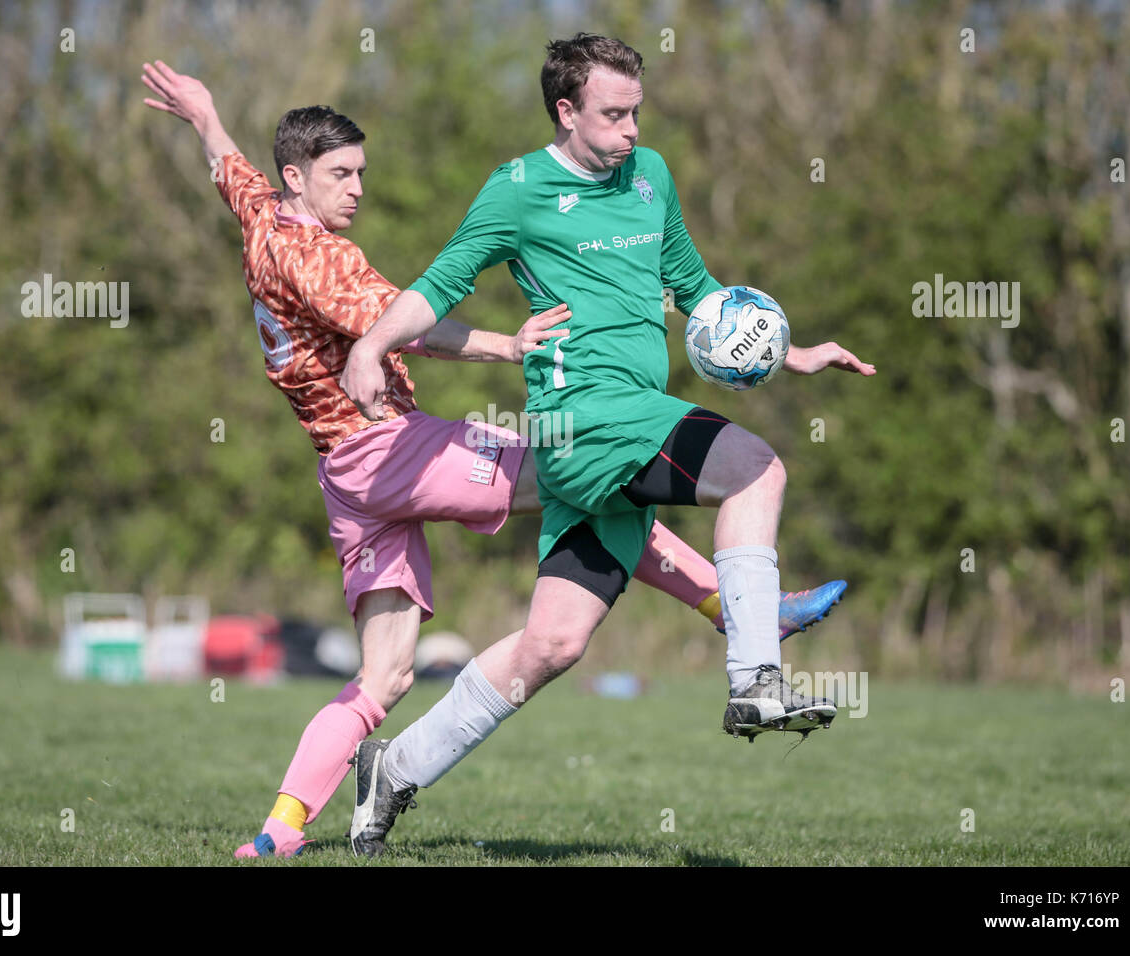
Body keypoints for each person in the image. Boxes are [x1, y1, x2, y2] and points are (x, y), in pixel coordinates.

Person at [142, 60, 846, 857]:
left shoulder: (260, 215)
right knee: (577, 460)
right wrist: (505, 345)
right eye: (342, 174)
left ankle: (291, 823)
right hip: (390, 450)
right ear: (296, 176)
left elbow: (222, 163)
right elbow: (420, 319)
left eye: (362, 171)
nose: (359, 188)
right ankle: (743, 620)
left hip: (343, 480)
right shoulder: (323, 261)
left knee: (411, 674)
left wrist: (203, 112)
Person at [340, 33, 875, 856]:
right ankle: (756, 682)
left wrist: (790, 350)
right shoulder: (517, 190)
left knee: (551, 645)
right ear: (566, 110)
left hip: (622, 434)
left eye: (636, 112)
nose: (631, 130)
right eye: (613, 115)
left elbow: (694, 289)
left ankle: (394, 768)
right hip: (584, 421)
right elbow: (439, 284)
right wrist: (373, 346)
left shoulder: (650, 174)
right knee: (756, 470)